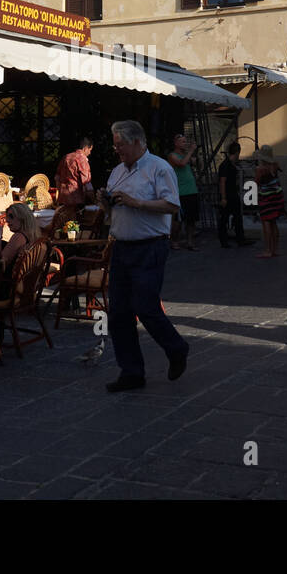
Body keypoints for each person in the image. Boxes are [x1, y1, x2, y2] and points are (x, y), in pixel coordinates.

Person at [101, 120, 189, 392]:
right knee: (118, 312)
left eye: (121, 145)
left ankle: (176, 347)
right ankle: (131, 371)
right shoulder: (117, 171)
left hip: (150, 245)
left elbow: (173, 205)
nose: (118, 150)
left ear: (138, 142)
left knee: (145, 306)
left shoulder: (159, 168)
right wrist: (105, 202)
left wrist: (137, 202)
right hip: (121, 245)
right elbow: (111, 211)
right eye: (115, 145)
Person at [167, 133, 200, 250]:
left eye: (186, 141)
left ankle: (190, 242)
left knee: (191, 219)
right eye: (182, 141)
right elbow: (181, 164)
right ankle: (174, 240)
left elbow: (193, 163)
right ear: (176, 143)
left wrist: (192, 157)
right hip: (180, 192)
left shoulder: (186, 155)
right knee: (178, 220)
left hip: (191, 190)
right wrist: (191, 151)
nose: (185, 143)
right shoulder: (172, 155)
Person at [217, 142, 250, 248]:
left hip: (232, 194)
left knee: (237, 218)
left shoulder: (230, 164)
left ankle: (240, 239)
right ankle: (224, 241)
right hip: (227, 195)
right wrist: (223, 198)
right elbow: (222, 181)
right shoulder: (225, 165)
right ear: (237, 152)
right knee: (225, 218)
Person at [254, 146, 284, 258]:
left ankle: (267, 250)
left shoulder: (260, 169)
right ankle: (275, 249)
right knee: (274, 222)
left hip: (266, 197)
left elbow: (256, 182)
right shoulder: (275, 165)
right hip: (277, 196)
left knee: (266, 221)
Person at [0, 202, 40, 272]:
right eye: (7, 217)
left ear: (22, 218)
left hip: (8, 281)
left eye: (11, 216)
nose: (7, 220)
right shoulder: (34, 236)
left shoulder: (19, 237)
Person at [55, 137, 94, 206]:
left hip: (62, 198)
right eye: (90, 150)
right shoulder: (82, 160)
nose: (90, 153)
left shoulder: (66, 157)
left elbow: (57, 177)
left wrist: (60, 191)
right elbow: (87, 183)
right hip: (76, 200)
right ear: (85, 148)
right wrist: (93, 200)